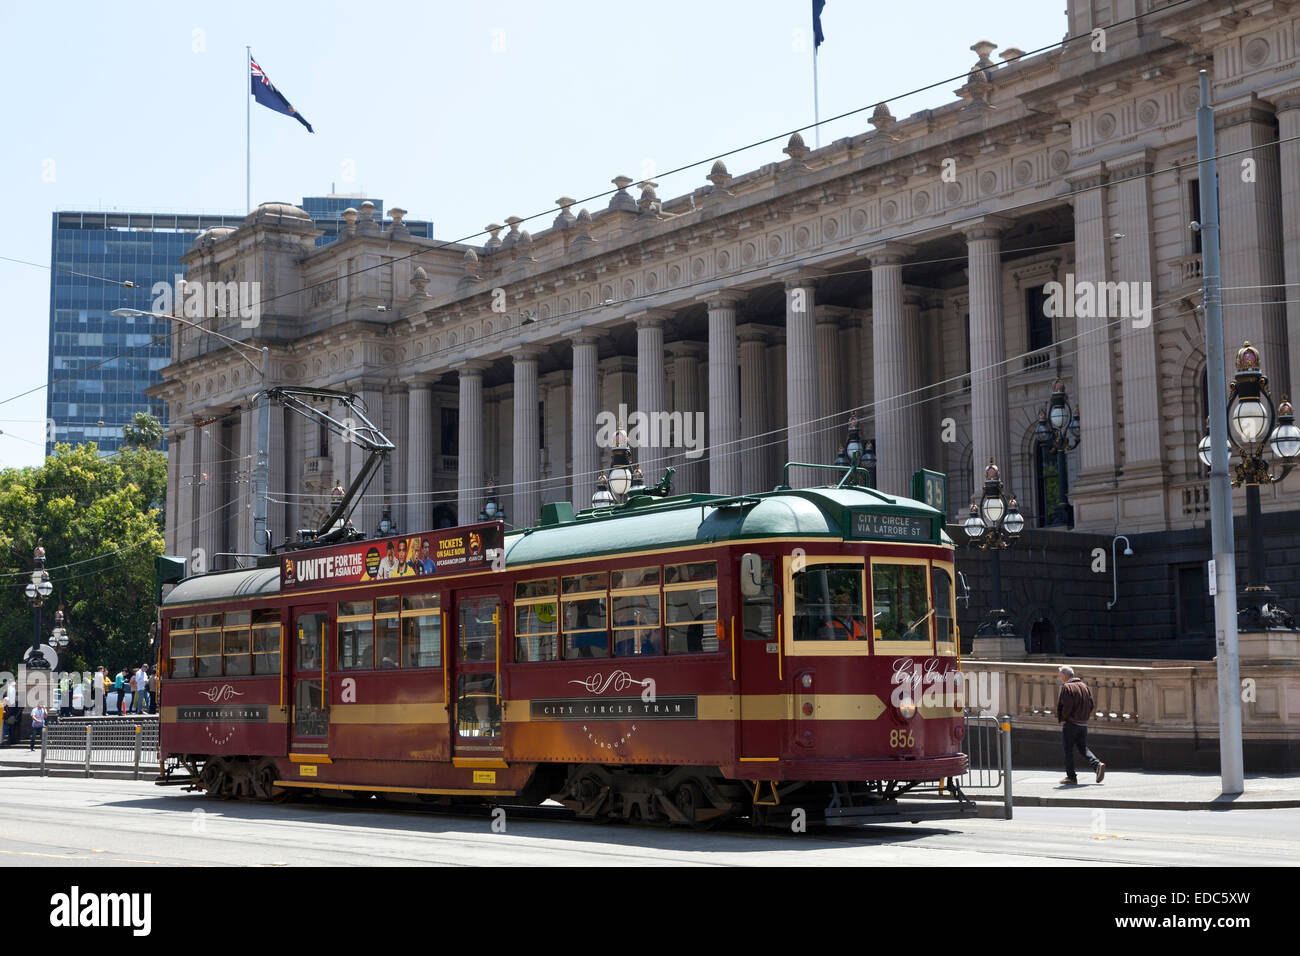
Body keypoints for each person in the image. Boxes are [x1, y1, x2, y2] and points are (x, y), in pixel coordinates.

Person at [1057, 665, 1105, 785]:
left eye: (1060, 675)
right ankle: (1097, 764)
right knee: (1082, 747)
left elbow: (1067, 706)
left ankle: (1071, 777)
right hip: (1083, 724)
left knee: (1068, 749)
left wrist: (1064, 717)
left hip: (1071, 723)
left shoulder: (1067, 687)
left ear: (1064, 675)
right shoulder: (1084, 686)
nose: (1060, 677)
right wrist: (1084, 716)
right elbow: (1091, 704)